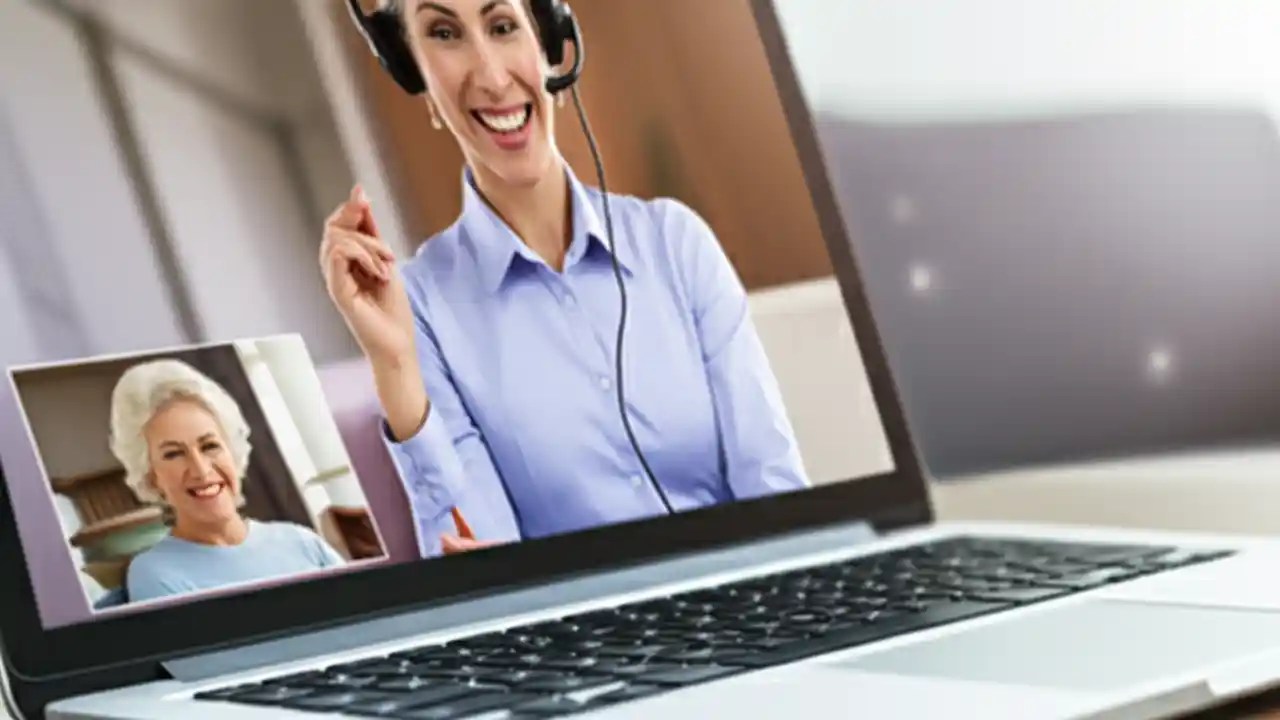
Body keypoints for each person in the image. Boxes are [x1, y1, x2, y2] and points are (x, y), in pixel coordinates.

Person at [321, 0, 809, 558]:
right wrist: (395, 366)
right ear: (419, 81)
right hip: (582, 637)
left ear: (549, 46)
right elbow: (480, 568)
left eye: (502, 26)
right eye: (445, 34)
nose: (491, 74)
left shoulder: (674, 242)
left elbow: (776, 495)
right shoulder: (420, 306)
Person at [109, 360, 344, 603]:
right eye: (173, 454)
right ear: (151, 476)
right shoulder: (155, 574)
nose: (201, 470)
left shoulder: (301, 541)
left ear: (233, 452)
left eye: (210, 446)